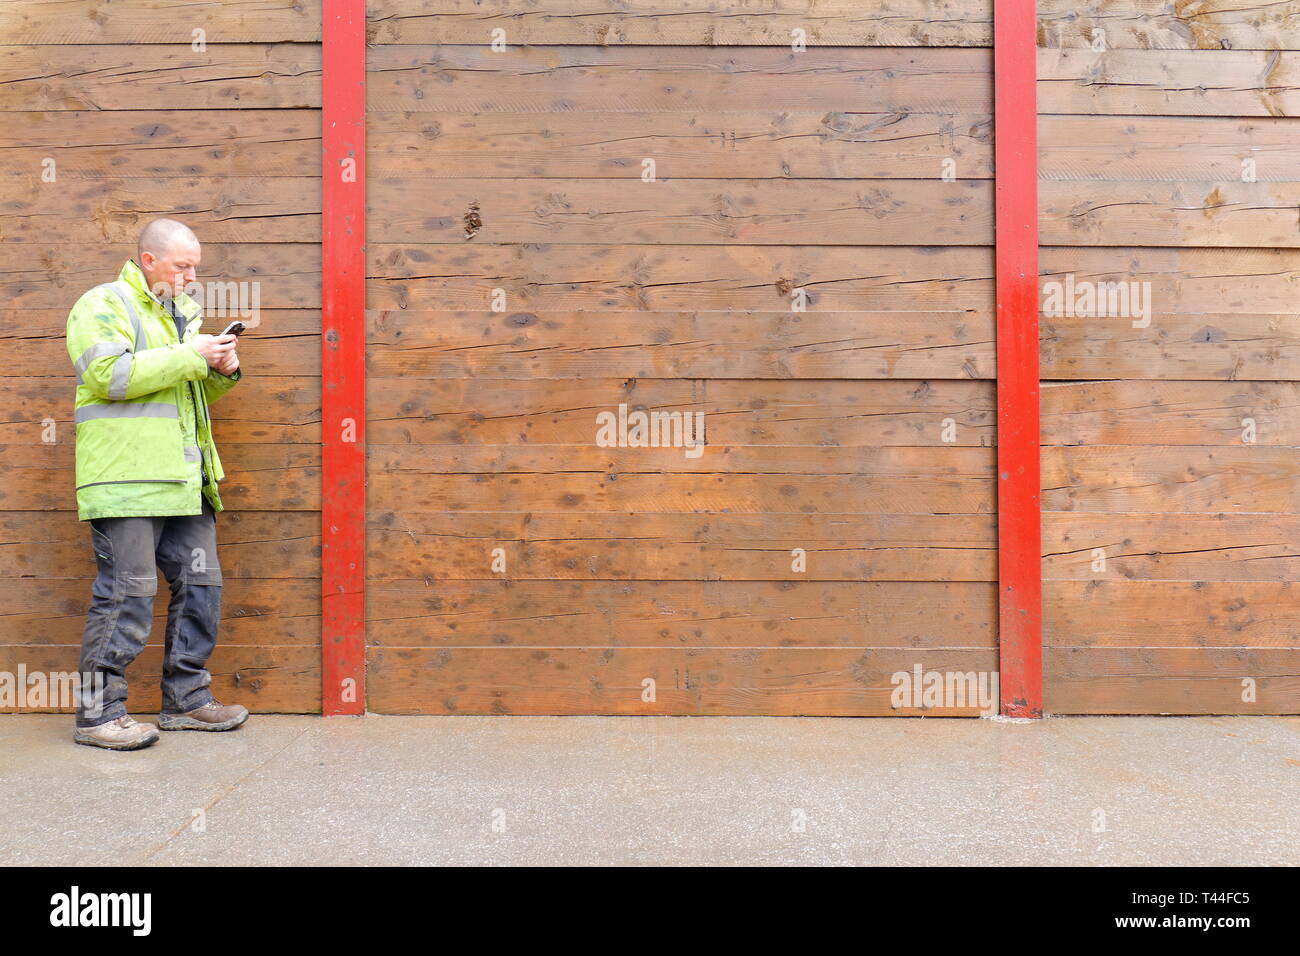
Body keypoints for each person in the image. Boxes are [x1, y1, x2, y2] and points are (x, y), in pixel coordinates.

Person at [65, 218, 249, 750]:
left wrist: (217, 369)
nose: (192, 277)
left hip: (184, 477)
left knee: (202, 584)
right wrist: (193, 356)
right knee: (127, 592)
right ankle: (99, 716)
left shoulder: (183, 314)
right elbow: (109, 378)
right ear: (149, 260)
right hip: (125, 480)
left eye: (195, 266)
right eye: (182, 266)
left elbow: (181, 394)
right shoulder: (102, 304)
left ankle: (187, 701)